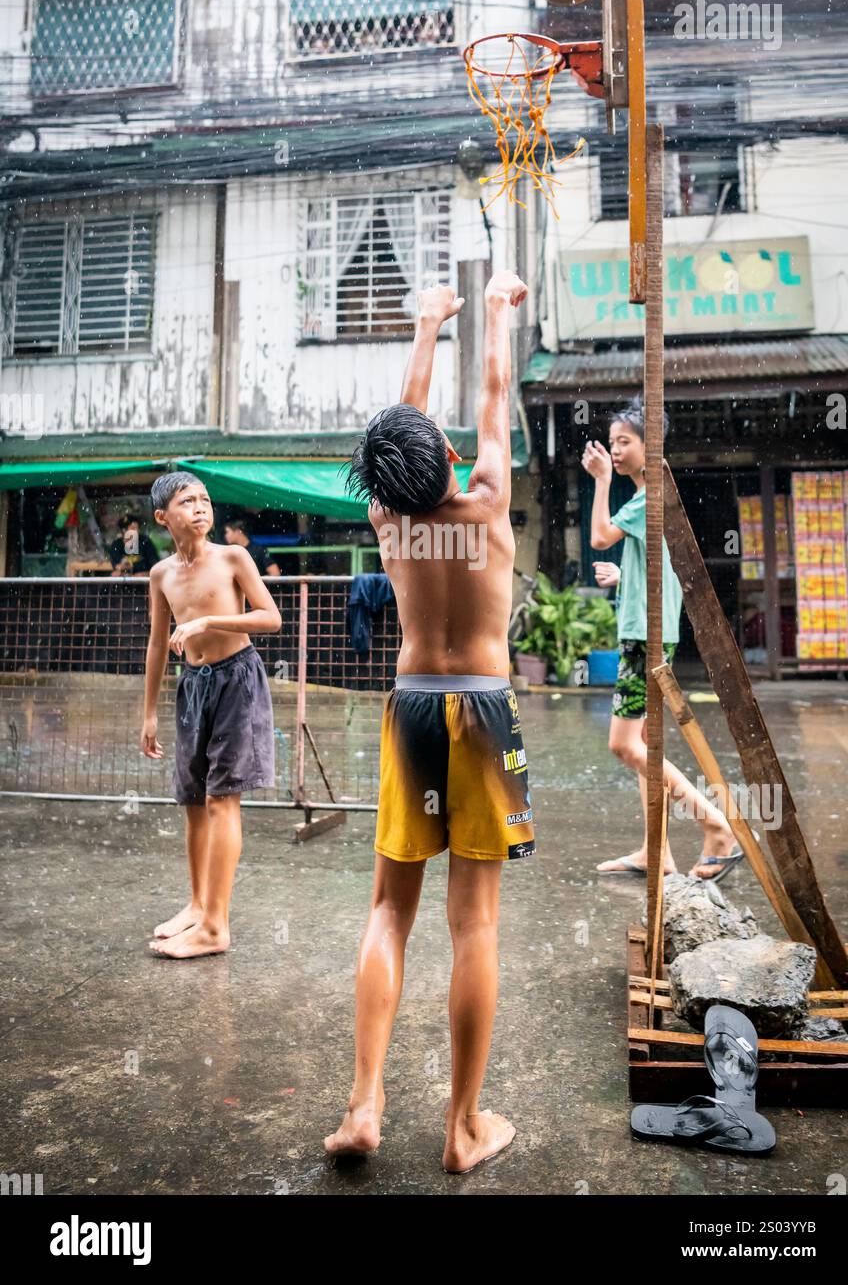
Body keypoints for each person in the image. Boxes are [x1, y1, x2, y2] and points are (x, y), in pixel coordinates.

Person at [326, 274, 533, 1174]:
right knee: (474, 925)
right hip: (483, 706)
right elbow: (491, 395)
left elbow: (399, 443)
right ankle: (461, 1127)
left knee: (387, 910)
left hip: (411, 706)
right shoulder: (485, 498)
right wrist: (491, 314)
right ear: (446, 454)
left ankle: (365, 1104)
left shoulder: (389, 519)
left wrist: (423, 326)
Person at [582, 398, 743, 882]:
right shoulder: (650, 498)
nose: (614, 450)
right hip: (650, 629)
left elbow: (599, 536)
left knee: (624, 745)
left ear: (651, 448)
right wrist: (625, 579)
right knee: (645, 743)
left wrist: (600, 482)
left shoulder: (647, 497)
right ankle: (658, 851)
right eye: (611, 444)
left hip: (645, 638)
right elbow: (658, 572)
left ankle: (716, 826)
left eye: (623, 442)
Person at [140, 472, 282, 959]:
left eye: (204, 499)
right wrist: (148, 715)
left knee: (222, 800)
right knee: (194, 802)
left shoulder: (233, 558)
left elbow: (270, 617)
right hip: (193, 686)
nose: (200, 507)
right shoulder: (160, 575)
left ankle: (216, 926)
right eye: (187, 501)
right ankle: (198, 905)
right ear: (163, 517)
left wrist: (207, 620)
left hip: (237, 680)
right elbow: (158, 644)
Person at [109, 512, 160, 577]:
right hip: (125, 582)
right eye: (133, 528)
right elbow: (118, 567)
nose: (136, 531)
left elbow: (155, 565)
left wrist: (144, 574)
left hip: (143, 581)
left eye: (137, 528)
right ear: (124, 530)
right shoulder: (116, 545)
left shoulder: (145, 542)